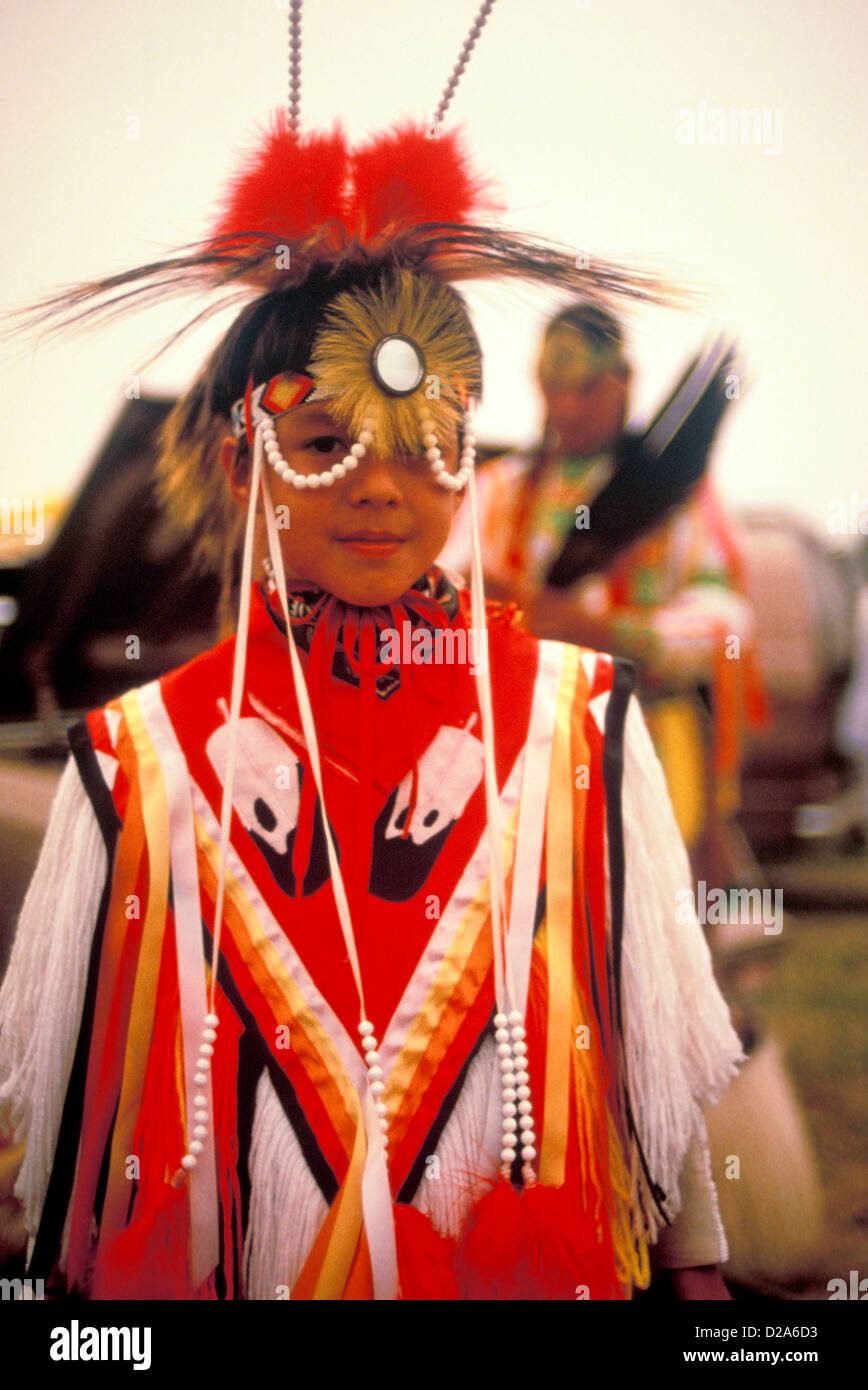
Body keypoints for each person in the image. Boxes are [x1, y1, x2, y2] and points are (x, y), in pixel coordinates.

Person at [0, 114, 742, 1301]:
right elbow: (83, 1176)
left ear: (461, 449)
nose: (380, 488)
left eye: (419, 442)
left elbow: (643, 1068)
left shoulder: (575, 725)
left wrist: (698, 1273)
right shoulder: (141, 762)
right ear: (248, 462)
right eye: (327, 441)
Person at [442, 303, 766, 885]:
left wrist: (607, 633)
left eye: (587, 389)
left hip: (645, 740)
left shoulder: (680, 501)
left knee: (644, 917)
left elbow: (728, 621)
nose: (568, 406)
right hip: (519, 743)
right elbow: (435, 588)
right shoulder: (498, 490)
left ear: (624, 383)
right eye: (553, 388)